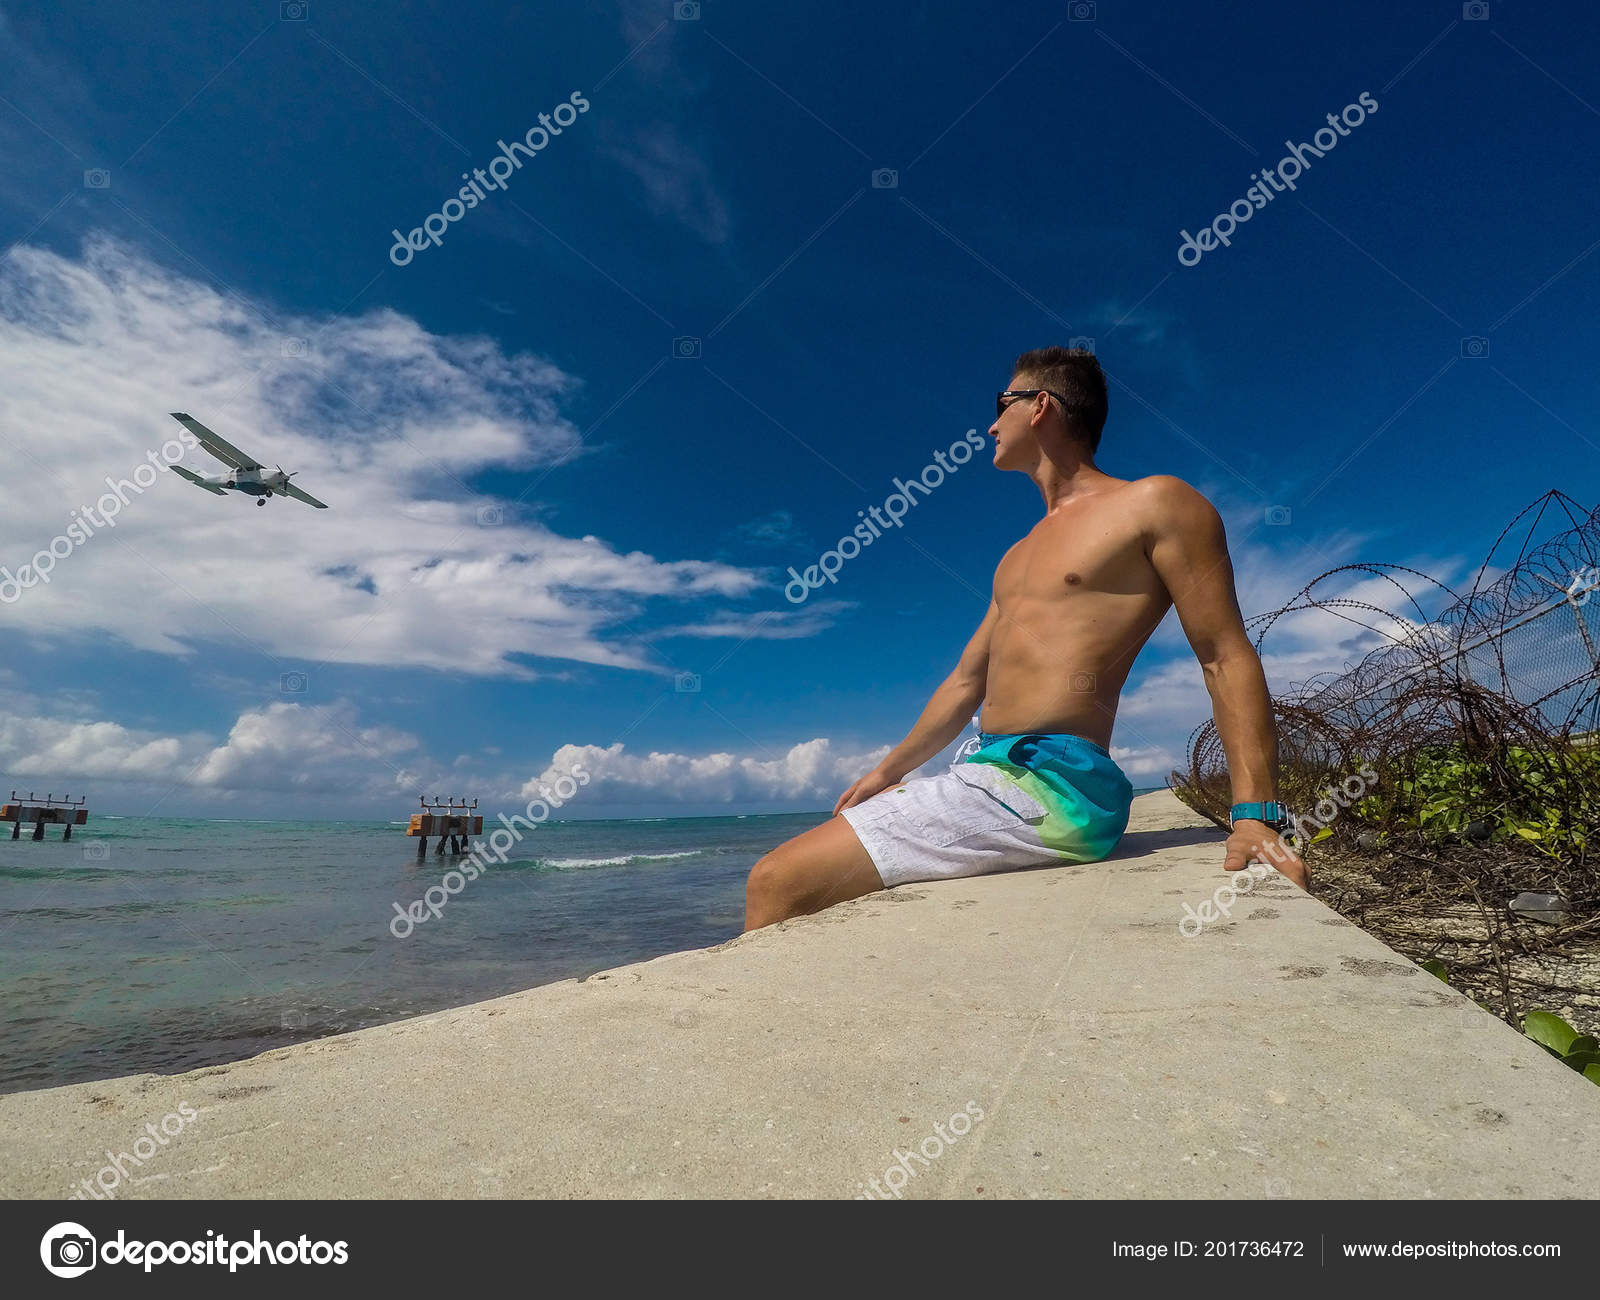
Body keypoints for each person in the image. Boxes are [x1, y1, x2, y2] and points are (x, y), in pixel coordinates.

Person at [744, 345, 1307, 931]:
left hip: (1053, 783)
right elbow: (966, 680)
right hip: (987, 771)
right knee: (827, 886)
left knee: (777, 878)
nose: (989, 424)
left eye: (1000, 403)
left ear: (1041, 406)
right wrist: (886, 774)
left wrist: (1256, 815)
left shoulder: (1157, 502)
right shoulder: (1015, 557)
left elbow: (1223, 654)